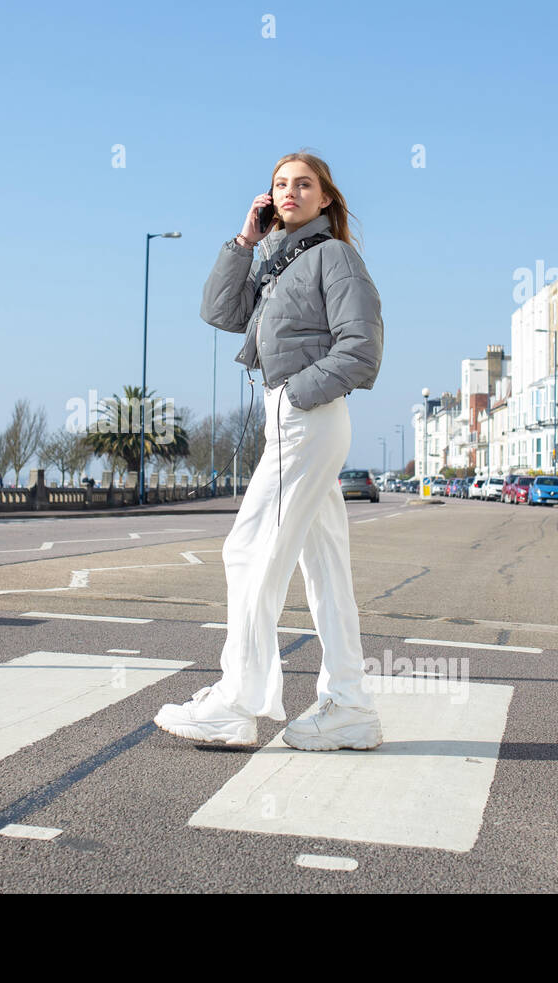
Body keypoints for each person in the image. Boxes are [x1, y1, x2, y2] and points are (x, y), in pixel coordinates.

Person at [153, 152, 385, 751]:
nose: (289, 192)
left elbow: (362, 351)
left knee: (248, 549)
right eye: (280, 184)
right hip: (297, 421)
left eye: (303, 184)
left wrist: (296, 395)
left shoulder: (334, 257)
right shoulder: (277, 263)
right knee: (325, 570)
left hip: (307, 418)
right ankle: (350, 705)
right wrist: (242, 242)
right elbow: (219, 312)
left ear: (326, 199)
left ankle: (236, 702)